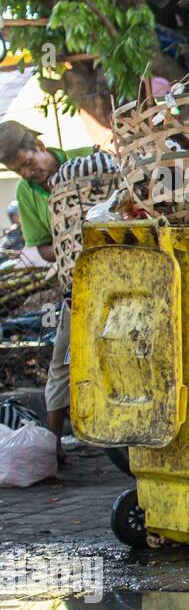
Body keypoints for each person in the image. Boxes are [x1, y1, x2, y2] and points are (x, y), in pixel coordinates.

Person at [0, 121, 93, 456]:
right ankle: (52, 447)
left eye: (28, 163)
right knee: (62, 361)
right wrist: (70, 242)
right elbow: (40, 246)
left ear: (39, 144)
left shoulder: (83, 158)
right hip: (77, 283)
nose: (28, 173)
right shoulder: (27, 193)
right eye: (18, 171)